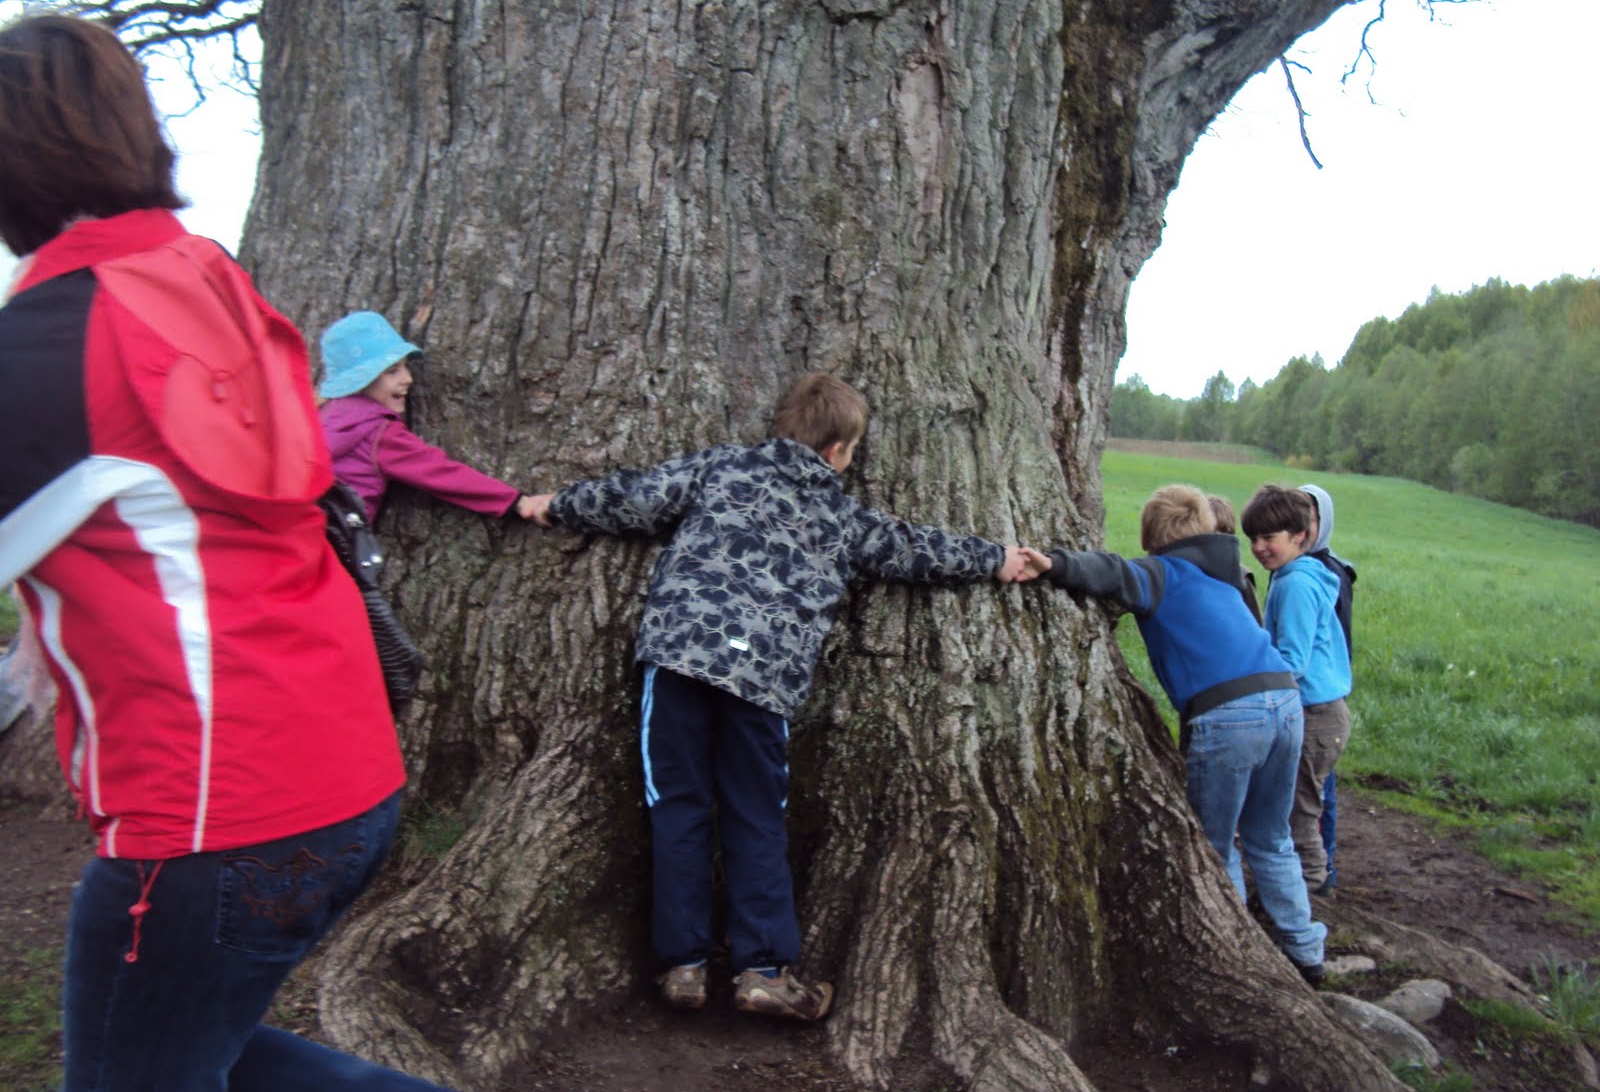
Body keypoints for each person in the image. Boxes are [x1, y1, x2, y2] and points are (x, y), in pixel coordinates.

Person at [0, 13, 476, 1092]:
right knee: (170, 1050)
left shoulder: (48, 350)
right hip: (345, 777)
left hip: (216, 822)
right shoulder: (204, 278)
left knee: (132, 1087)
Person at [528, 373, 1039, 1019]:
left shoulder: (722, 468)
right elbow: (913, 548)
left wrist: (556, 504)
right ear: (837, 453)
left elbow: (637, 498)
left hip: (680, 658)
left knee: (677, 804)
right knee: (754, 814)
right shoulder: (840, 514)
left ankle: (683, 965)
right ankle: (762, 970)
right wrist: (996, 558)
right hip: (762, 679)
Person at [1021, 485, 1326, 985]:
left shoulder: (1164, 574)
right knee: (1272, 836)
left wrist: (1052, 563)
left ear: (1150, 539)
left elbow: (1112, 571)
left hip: (1228, 714)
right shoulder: (1227, 578)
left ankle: (1237, 957)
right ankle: (1306, 950)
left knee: (1214, 846)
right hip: (1286, 702)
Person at [318, 309, 540, 524]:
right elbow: (437, 473)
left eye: (405, 367)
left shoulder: (323, 417)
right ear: (362, 380)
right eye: (392, 371)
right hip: (331, 543)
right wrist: (515, 502)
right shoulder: (376, 432)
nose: (408, 379)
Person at [1241, 484, 1353, 897]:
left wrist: (1248, 673)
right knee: (1296, 805)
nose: (1258, 547)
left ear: (1300, 536)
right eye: (1252, 538)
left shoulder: (1295, 586)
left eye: (1269, 538)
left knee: (1299, 810)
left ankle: (1310, 889)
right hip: (1319, 713)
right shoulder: (1294, 575)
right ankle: (1304, 883)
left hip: (1315, 716)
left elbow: (1293, 661)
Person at [1300, 483, 1357, 894]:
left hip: (1320, 699)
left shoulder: (1323, 573)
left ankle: (1322, 876)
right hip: (1315, 696)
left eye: (1309, 519)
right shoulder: (1295, 569)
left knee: (1319, 794)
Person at [1205, 494, 1261, 622]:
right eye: (1207, 535)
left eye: (1222, 535)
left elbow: (1255, 624)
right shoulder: (1186, 573)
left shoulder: (1240, 578)